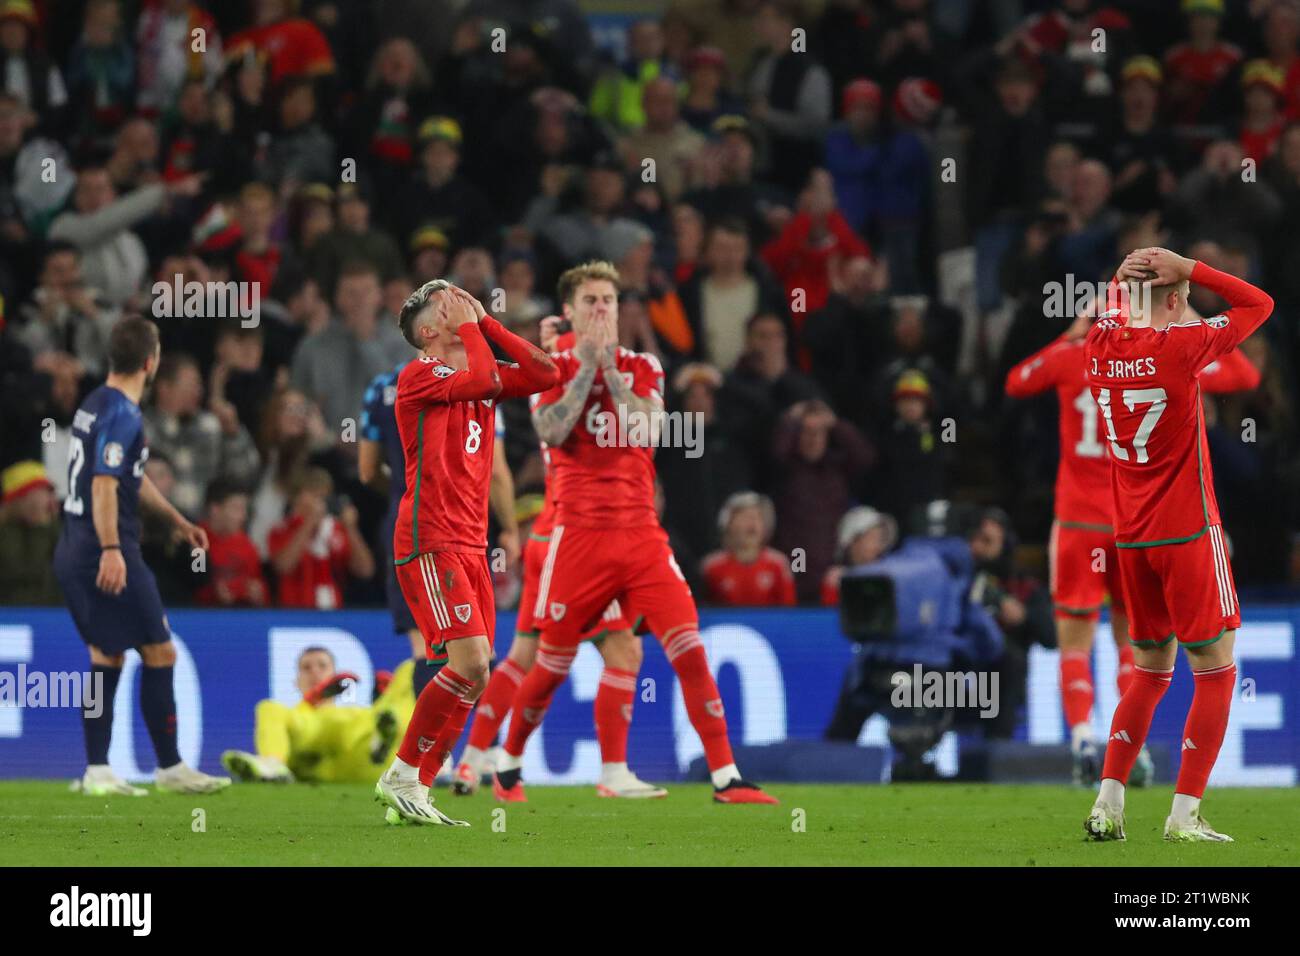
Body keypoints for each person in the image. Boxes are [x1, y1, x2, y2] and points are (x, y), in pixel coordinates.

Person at [495, 260, 777, 805]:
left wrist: (611, 372)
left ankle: (726, 777)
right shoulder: (545, 366)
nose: (603, 310)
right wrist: (584, 367)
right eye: (592, 302)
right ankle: (508, 764)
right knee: (551, 665)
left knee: (689, 649)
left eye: (609, 301)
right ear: (570, 312)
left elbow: (649, 426)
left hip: (643, 538)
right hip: (577, 540)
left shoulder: (643, 365)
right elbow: (550, 430)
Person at [1006, 302, 1262, 785]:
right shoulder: (1175, 354)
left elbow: (1017, 381)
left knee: (1075, 640)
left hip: (1079, 521)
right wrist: (1189, 313)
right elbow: (1244, 374)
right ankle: (1135, 752)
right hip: (1138, 521)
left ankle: (1083, 737)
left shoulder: (1079, 357)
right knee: (1140, 646)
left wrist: (1069, 335)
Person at [1083, 246, 1273, 843]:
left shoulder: (1098, 348)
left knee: (1147, 671)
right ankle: (1184, 815)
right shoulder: (1182, 348)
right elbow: (1258, 303)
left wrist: (1128, 274)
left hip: (1130, 540)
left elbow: (1114, 304)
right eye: (1184, 297)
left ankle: (1107, 806)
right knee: (1215, 672)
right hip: (1189, 532)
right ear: (1172, 298)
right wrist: (1190, 266)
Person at [455, 315, 664, 801]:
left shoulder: (547, 380)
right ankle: (604, 771)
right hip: (582, 539)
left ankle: (473, 760)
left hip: (549, 537)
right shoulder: (582, 374)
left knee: (524, 655)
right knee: (620, 651)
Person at [376, 281, 559, 826]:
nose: (461, 301)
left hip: (471, 542)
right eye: (446, 301)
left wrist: (489, 323)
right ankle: (402, 773)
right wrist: (478, 327)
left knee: (476, 675)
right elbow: (483, 376)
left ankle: (418, 788)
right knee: (471, 662)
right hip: (429, 538)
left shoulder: (475, 375)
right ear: (430, 331)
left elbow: (548, 374)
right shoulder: (419, 375)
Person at [50, 317, 230, 796]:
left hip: (73, 544)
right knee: (159, 649)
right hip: (103, 545)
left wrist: (176, 519)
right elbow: (105, 484)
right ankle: (169, 767)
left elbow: (128, 475)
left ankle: (97, 770)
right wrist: (112, 549)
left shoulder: (96, 403)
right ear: (150, 363)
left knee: (106, 653)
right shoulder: (124, 415)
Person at [222, 646, 413, 784]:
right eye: (306, 668)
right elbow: (292, 723)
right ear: (296, 681)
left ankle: (383, 738)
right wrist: (313, 699)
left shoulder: (358, 712)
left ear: (335, 674)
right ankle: (273, 765)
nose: (314, 671)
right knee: (268, 707)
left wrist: (385, 699)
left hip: (362, 755)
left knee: (408, 670)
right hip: (313, 743)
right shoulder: (297, 714)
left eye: (322, 666)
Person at [701, 491, 796, 606]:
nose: (752, 523)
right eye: (745, 517)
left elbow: (789, 613)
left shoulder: (778, 565)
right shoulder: (712, 567)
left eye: (758, 517)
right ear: (728, 524)